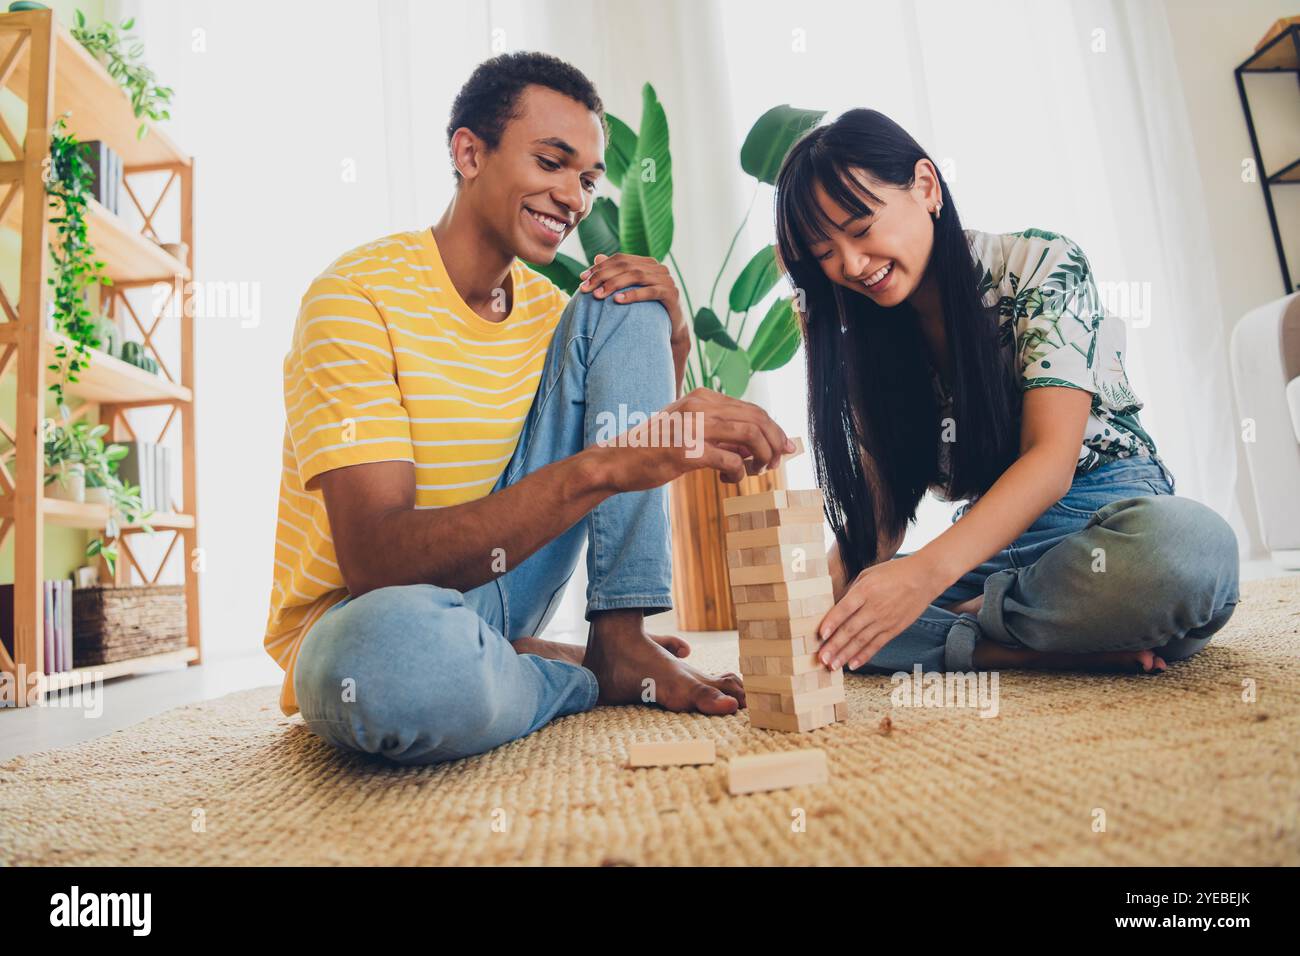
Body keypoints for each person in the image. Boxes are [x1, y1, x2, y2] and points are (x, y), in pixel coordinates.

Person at [266, 52, 795, 765]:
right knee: (393, 668)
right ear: (468, 152)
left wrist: (669, 332)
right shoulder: (354, 299)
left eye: (587, 180)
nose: (574, 199)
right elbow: (376, 562)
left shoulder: (556, 313)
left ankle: (620, 637)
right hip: (378, 616)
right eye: (551, 162)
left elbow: (631, 442)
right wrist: (597, 470)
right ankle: (571, 677)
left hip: (508, 585)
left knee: (630, 301)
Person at [772, 109, 1240, 677]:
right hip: (988, 551)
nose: (850, 264)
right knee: (837, 629)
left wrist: (920, 580)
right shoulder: (863, 342)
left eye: (862, 228)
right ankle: (1021, 642)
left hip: (1104, 518)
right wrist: (807, 611)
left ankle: (975, 631)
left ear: (924, 186)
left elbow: (1051, 463)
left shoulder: (1041, 265)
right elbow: (880, 512)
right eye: (824, 254)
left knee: (1189, 553)